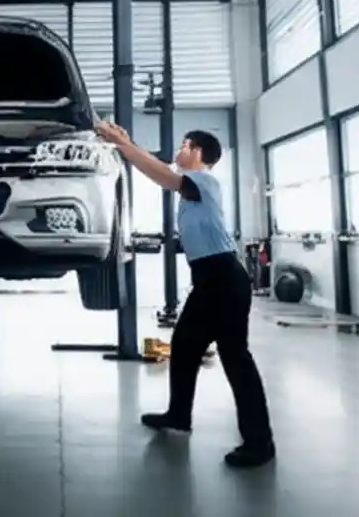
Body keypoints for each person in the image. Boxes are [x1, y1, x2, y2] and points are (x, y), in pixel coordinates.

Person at [93, 121, 276, 469]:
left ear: (196, 152)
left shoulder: (204, 181)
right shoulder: (190, 190)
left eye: (183, 145)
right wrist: (127, 142)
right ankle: (179, 415)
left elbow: (163, 175)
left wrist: (123, 145)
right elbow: (168, 177)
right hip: (209, 281)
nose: (178, 150)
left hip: (224, 279)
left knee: (235, 357)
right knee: (185, 346)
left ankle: (260, 443)